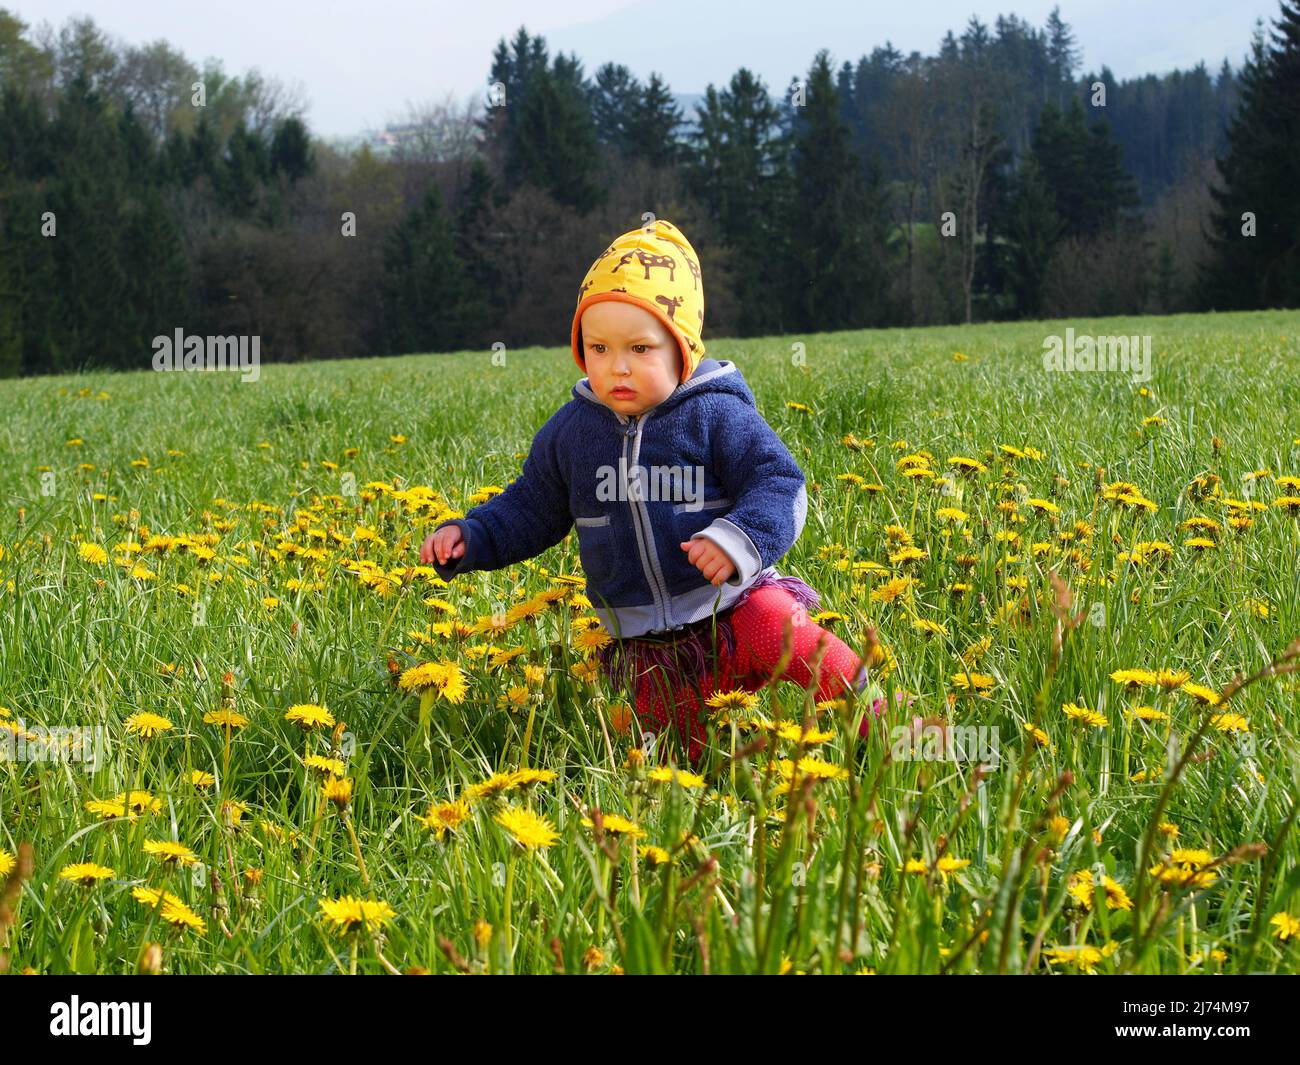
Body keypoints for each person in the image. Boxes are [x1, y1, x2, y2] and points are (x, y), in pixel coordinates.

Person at [421, 218, 883, 763]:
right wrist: (471, 536)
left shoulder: (715, 414)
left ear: (682, 348)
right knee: (675, 763)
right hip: (648, 644)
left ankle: (885, 728)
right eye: (598, 348)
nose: (617, 366)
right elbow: (531, 507)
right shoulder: (572, 434)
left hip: (736, 605)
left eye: (640, 348)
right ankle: (723, 791)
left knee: (796, 641)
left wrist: (738, 540)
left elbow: (779, 483)